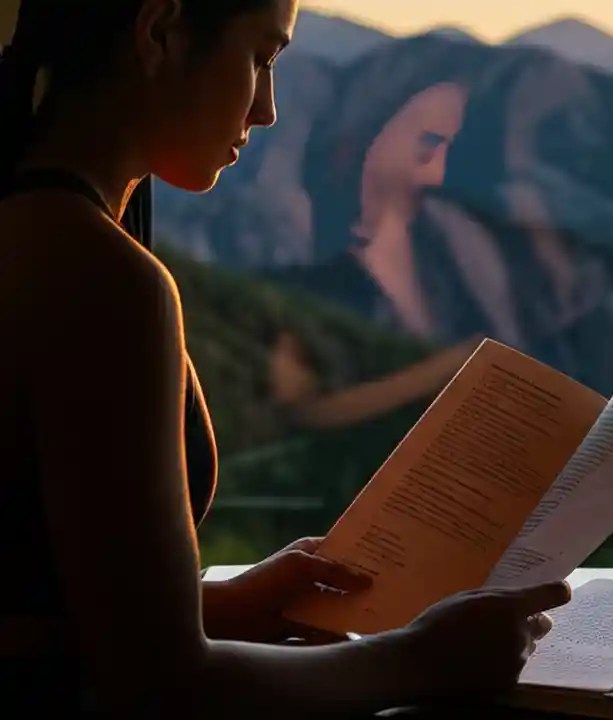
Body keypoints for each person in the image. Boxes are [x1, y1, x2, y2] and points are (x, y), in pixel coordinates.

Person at [0, 0, 570, 714]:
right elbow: (161, 683)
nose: (268, 108)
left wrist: (229, 605)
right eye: (262, 58)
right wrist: (422, 659)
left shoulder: (37, 233)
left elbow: (50, 609)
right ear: (158, 32)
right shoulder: (99, 277)